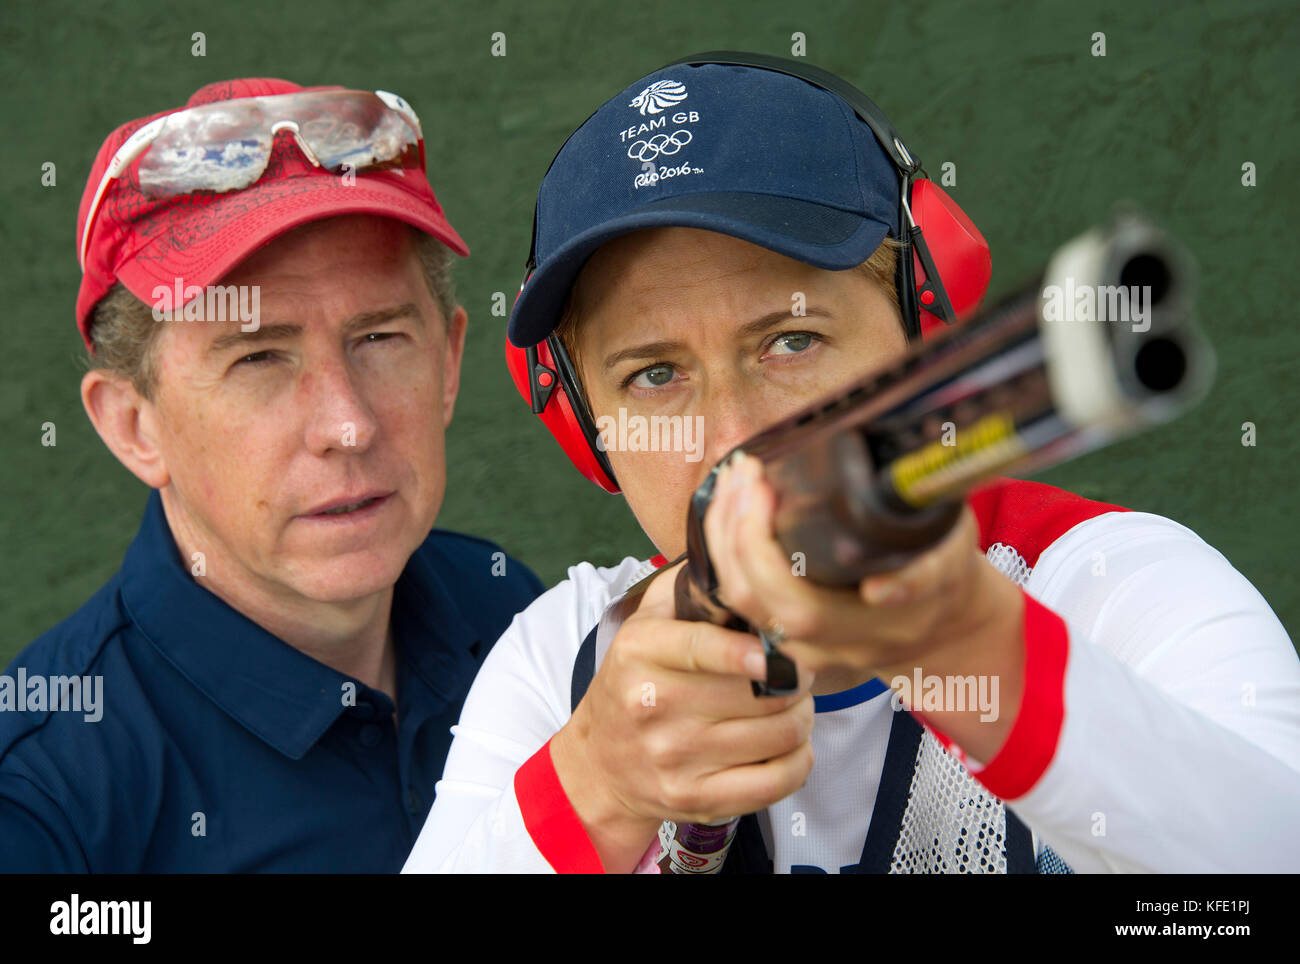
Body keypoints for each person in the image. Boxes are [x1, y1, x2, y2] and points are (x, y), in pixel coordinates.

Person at [403, 55, 1300, 874]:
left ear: (923, 329)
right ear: (584, 423)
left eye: (792, 340)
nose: (734, 440)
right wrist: (595, 788)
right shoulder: (565, 655)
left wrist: (975, 650)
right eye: (655, 374)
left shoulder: (1112, 585)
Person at [0, 78, 542, 871]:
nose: (349, 424)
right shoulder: (44, 804)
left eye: (381, 338)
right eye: (258, 357)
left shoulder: (512, 617)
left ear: (451, 361)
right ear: (134, 424)